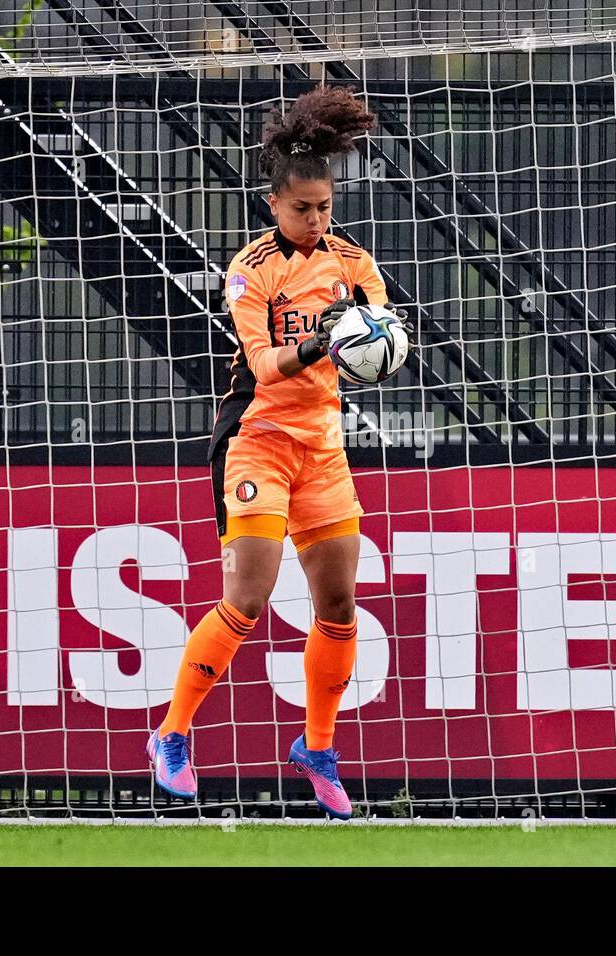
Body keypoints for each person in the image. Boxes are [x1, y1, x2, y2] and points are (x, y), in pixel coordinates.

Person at [146, 85, 410, 820]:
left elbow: (381, 341)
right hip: (256, 442)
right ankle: (172, 735)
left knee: (340, 603)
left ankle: (317, 749)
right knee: (248, 600)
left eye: (325, 206)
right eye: (303, 208)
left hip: (323, 449)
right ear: (274, 204)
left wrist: (378, 340)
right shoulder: (250, 271)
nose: (316, 218)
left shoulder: (354, 263)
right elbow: (262, 368)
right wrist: (325, 338)